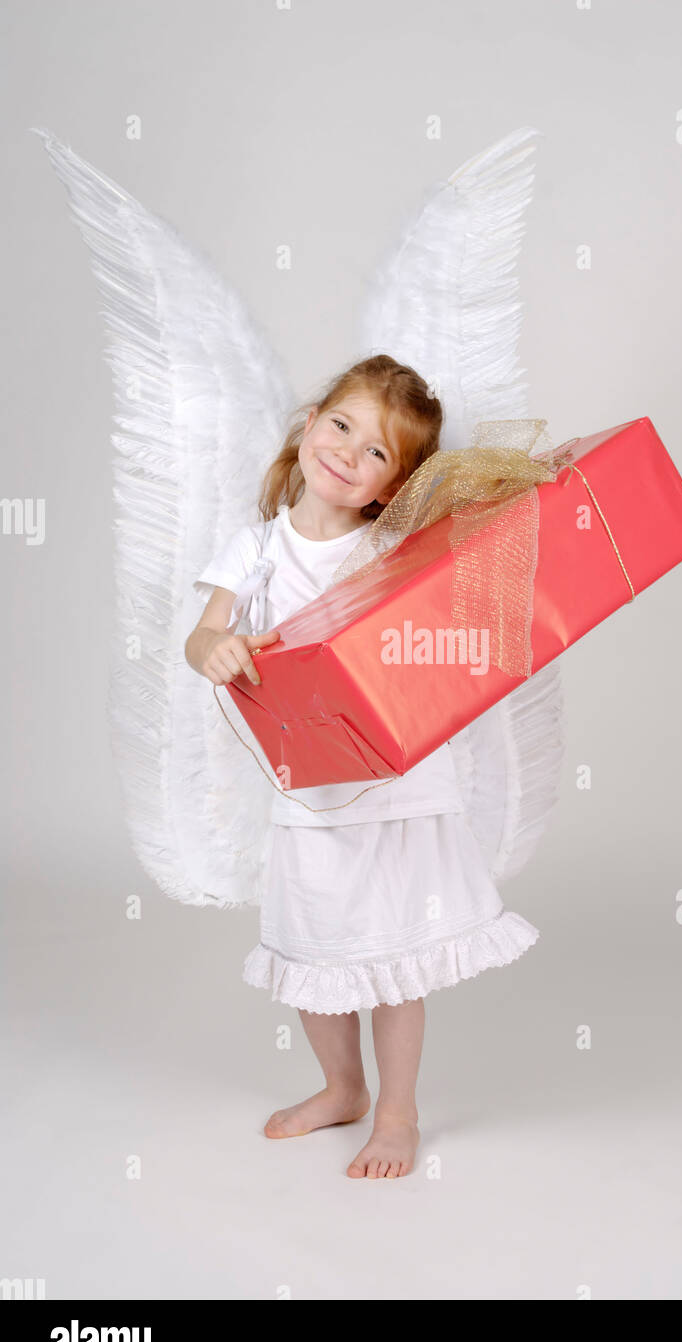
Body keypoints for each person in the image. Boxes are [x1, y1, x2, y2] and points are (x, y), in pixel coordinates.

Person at [184, 355, 539, 1179]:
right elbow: (200, 636)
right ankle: (341, 1087)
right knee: (315, 953)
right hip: (310, 788)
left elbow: (442, 632)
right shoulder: (256, 548)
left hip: (398, 784)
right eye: (340, 425)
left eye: (377, 452)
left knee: (391, 958)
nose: (348, 451)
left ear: (391, 486)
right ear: (310, 425)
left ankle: (398, 1112)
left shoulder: (391, 547)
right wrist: (219, 649)